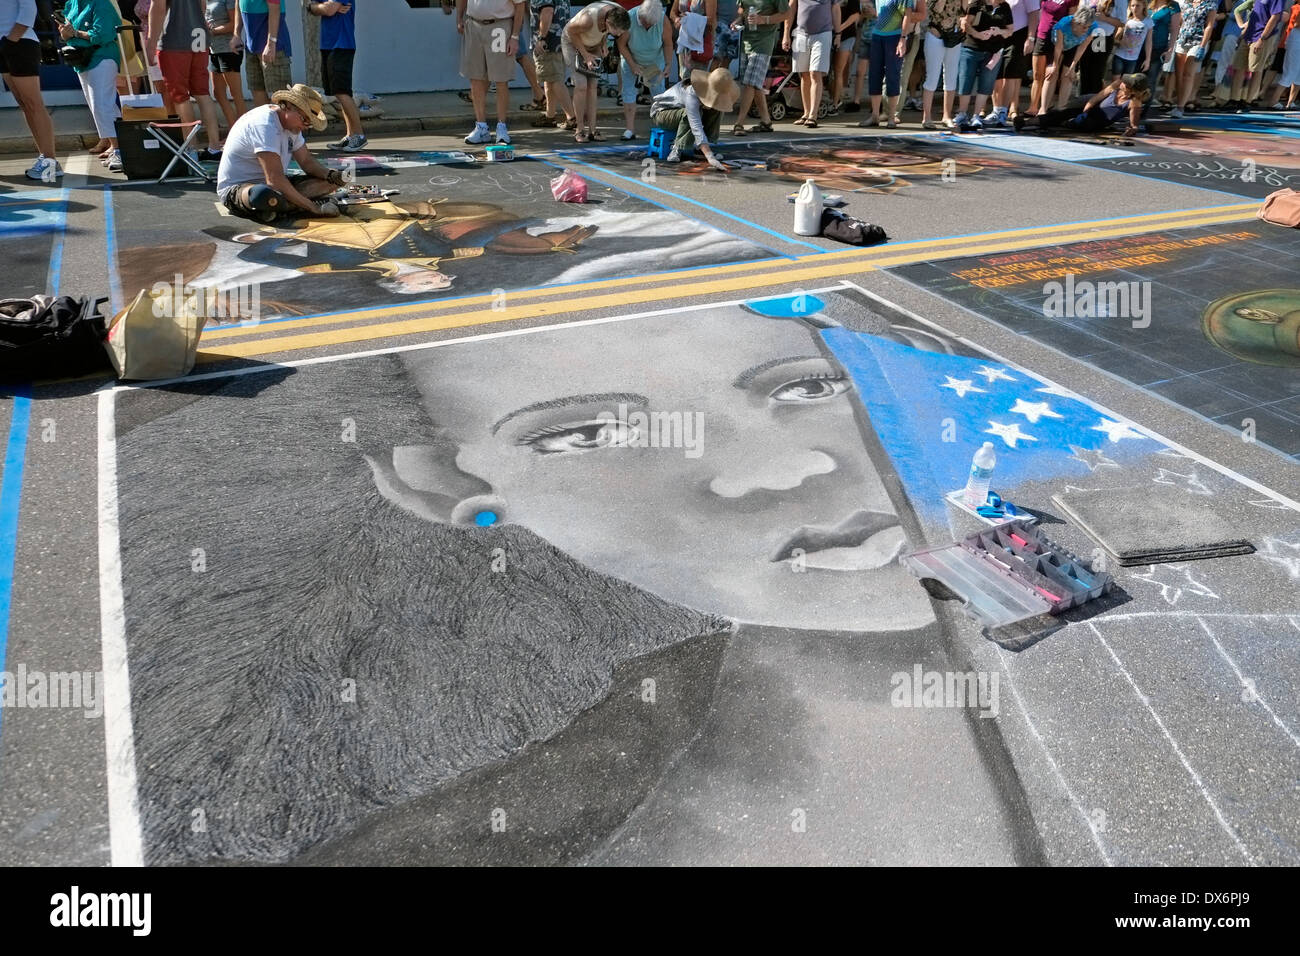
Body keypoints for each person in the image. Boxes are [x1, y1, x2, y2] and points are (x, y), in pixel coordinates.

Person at [215, 83, 346, 223]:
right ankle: (290, 205)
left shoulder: (293, 126)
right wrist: (314, 208)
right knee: (262, 194)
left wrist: (330, 174)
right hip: (241, 188)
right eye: (304, 119)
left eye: (309, 124)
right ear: (287, 107)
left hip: (276, 186)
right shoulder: (265, 125)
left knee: (337, 180)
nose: (305, 126)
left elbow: (307, 162)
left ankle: (278, 208)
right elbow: (274, 179)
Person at [148, 0, 225, 160]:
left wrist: (151, 42)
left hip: (175, 39)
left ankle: (191, 148)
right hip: (198, 36)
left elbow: (158, 8)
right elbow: (203, 6)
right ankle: (214, 146)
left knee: (180, 96)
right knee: (202, 93)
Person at [57, 0, 124, 172]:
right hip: (82, 60)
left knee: (102, 103)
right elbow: (66, 34)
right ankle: (117, 146)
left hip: (102, 56)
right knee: (98, 106)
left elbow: (103, 35)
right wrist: (65, 34)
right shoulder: (71, 4)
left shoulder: (101, 4)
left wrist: (76, 33)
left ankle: (120, 150)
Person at [2, 0, 61, 180]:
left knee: (33, 103)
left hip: (20, 44)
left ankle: (51, 161)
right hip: (5, 45)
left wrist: (10, 41)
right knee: (25, 105)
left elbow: (29, 10)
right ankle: (44, 157)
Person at [457, 0, 526, 145]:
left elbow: (520, 5)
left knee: (501, 79)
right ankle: (481, 127)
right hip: (473, 24)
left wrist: (514, 37)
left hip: (499, 26)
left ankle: (501, 127)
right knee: (475, 78)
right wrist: (459, 17)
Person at [563, 0, 630, 143]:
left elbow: (605, 32)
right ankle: (579, 129)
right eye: (617, 31)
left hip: (593, 43)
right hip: (573, 42)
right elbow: (571, 32)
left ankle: (593, 130)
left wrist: (604, 43)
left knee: (593, 85)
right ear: (608, 23)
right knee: (581, 85)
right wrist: (585, 55)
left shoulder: (617, 12)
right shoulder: (588, 19)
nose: (619, 35)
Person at [306, 0, 365, 150]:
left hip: (342, 45)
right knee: (338, 94)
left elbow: (329, 10)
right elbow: (311, 7)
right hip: (328, 45)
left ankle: (359, 135)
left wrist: (322, 7)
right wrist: (320, 7)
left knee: (343, 92)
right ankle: (350, 136)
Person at [649, 66, 738, 165]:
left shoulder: (709, 91)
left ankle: (701, 148)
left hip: (680, 113)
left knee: (716, 110)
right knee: (689, 114)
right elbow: (695, 125)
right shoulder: (691, 92)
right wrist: (710, 156)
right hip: (661, 113)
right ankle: (677, 147)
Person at [858, 0, 924, 128]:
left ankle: (892, 117)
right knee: (874, 76)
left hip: (894, 37)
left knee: (892, 76)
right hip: (877, 36)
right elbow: (881, 14)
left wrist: (902, 39)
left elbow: (907, 15)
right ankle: (875, 116)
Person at [1017, 67, 1151, 128]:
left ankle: (1066, 123)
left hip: (1099, 121)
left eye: (1125, 83)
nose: (1122, 83)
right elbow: (1097, 97)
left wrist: (1130, 130)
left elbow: (1133, 125)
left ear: (1131, 89)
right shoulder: (1117, 85)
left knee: (1074, 123)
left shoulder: (1134, 103)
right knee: (1062, 113)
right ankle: (1025, 122)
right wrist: (1085, 110)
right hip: (1092, 106)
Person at [953, 0, 1014, 128]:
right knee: (965, 80)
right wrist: (978, 34)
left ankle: (976, 115)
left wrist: (999, 31)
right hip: (971, 48)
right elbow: (965, 24)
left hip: (994, 52)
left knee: (986, 83)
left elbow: (1010, 30)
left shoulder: (1005, 7)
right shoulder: (977, 4)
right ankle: (962, 113)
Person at [618, 0, 672, 139]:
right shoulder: (629, 18)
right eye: (646, 22)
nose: (648, 26)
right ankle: (629, 129)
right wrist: (632, 65)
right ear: (640, 16)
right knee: (629, 92)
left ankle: (661, 127)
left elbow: (667, 44)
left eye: (652, 24)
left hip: (655, 61)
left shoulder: (662, 19)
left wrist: (668, 64)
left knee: (659, 95)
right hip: (631, 58)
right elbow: (622, 45)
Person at [733, 0, 790, 132]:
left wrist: (764, 19)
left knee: (750, 83)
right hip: (747, 42)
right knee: (755, 84)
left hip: (764, 43)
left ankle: (739, 123)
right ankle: (766, 121)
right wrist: (738, 21)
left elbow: (787, 13)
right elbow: (742, 11)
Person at [785, 0, 841, 127]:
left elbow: (836, 9)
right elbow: (791, 8)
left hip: (823, 33)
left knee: (815, 73)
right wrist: (786, 34)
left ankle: (813, 115)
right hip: (800, 33)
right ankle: (806, 113)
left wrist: (838, 33)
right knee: (804, 74)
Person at [989, 0, 1041, 125]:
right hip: (998, 34)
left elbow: (1034, 14)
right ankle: (996, 110)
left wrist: (1031, 38)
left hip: (1018, 35)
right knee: (996, 73)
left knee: (1010, 73)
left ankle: (1003, 111)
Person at [529, 0, 578, 130]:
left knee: (555, 81)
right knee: (550, 80)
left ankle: (572, 118)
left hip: (548, 43)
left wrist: (541, 38)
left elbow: (547, 11)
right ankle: (550, 116)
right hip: (560, 41)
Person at [233, 0, 293, 107]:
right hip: (252, 47)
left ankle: (285, 124)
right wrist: (236, 34)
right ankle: (266, 123)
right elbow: (238, 3)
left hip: (274, 48)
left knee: (281, 97)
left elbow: (275, 7)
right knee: (257, 90)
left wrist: (271, 43)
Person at [1228, 0, 1285, 106]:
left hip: (1263, 36)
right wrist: (1243, 28)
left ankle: (1249, 101)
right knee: (1239, 66)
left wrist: (1262, 39)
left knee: (1255, 69)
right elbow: (1246, 11)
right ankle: (1234, 100)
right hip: (1249, 34)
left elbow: (1275, 17)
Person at [1169, 0, 1217, 114]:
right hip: (1182, 40)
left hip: (1197, 41)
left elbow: (1209, 26)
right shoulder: (1186, 3)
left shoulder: (1211, 4)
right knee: (1178, 74)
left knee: (1188, 74)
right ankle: (1178, 104)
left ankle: (1180, 107)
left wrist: (1202, 46)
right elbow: (1180, 21)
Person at [920, 0, 963, 127]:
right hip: (935, 36)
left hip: (954, 38)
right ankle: (926, 117)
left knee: (951, 77)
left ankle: (947, 116)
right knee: (932, 78)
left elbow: (964, 12)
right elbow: (937, 9)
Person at [1030, 0, 1077, 116]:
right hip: (1042, 35)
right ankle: (1033, 107)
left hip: (1058, 38)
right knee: (1037, 74)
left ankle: (1044, 108)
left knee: (1051, 73)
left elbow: (1072, 20)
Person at [206, 0, 245, 131]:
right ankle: (233, 130)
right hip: (214, 50)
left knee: (236, 93)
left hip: (229, 49)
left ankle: (244, 132)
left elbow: (234, 24)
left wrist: (212, 31)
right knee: (218, 93)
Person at [1077, 0, 1127, 94]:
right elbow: (1080, 10)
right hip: (1085, 34)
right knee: (1084, 71)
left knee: (1096, 73)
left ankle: (1094, 102)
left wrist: (1104, 18)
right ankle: (1084, 101)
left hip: (1101, 36)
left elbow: (1122, 22)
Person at [829, 0, 861, 111]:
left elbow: (855, 15)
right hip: (827, 34)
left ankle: (835, 103)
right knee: (827, 71)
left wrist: (838, 29)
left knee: (838, 70)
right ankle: (828, 99)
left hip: (846, 35)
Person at [1146, 0, 1181, 102]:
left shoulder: (1173, 6)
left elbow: (1175, 30)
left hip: (1159, 47)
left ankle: (1144, 107)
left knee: (1151, 79)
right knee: (1137, 77)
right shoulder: (1148, 2)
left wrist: (1170, 51)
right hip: (1140, 47)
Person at [844, 3, 876, 111]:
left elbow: (890, 18)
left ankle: (876, 102)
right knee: (859, 72)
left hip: (878, 38)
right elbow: (859, 23)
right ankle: (856, 101)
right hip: (865, 38)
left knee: (875, 72)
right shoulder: (865, 3)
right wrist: (862, 15)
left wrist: (875, 13)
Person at [1113, 0, 1155, 74]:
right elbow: (1117, 36)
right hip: (1119, 54)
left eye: (1138, 5)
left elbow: (1149, 42)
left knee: (1126, 82)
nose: (1135, 8)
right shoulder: (1126, 20)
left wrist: (1148, 59)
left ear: (1144, 6)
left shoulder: (1148, 22)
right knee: (1115, 80)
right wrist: (1119, 40)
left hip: (1133, 58)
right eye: (1133, 5)